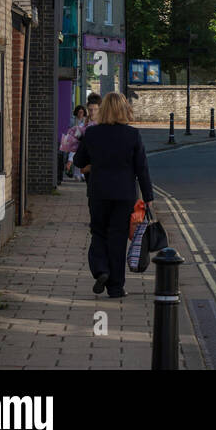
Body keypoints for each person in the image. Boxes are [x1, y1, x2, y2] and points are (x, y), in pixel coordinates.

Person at [73, 93, 154, 300]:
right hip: (124, 194)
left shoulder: (92, 134)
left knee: (98, 233)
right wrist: (148, 196)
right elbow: (142, 169)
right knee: (117, 239)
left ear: (104, 110)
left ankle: (101, 270)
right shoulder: (132, 135)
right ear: (124, 110)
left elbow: (79, 161)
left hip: (98, 192)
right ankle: (116, 288)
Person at [59, 105, 88, 180]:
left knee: (80, 156)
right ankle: (75, 172)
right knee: (74, 155)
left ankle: (80, 173)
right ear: (76, 112)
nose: (80, 114)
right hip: (74, 140)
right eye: (79, 112)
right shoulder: (73, 120)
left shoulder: (86, 120)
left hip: (82, 140)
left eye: (82, 112)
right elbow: (69, 129)